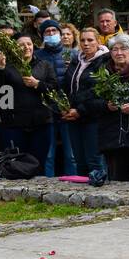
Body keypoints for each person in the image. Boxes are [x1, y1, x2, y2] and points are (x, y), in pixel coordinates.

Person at [90, 34, 129, 182]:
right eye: (114, 49)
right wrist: (105, 105)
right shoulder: (101, 74)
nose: (119, 53)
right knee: (117, 181)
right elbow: (89, 101)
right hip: (113, 137)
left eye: (124, 49)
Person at [0, 33, 56, 174]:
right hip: (15, 124)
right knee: (17, 163)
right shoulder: (7, 67)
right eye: (21, 45)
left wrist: (37, 84)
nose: (26, 47)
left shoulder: (44, 65)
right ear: (14, 48)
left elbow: (55, 88)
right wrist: (1, 68)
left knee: (39, 163)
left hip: (41, 122)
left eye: (29, 44)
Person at [61, 27, 110, 175]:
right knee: (79, 160)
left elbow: (99, 92)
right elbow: (66, 85)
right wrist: (64, 106)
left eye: (90, 40)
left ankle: (99, 195)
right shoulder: (77, 59)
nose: (86, 43)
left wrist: (80, 110)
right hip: (73, 117)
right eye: (82, 40)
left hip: (93, 117)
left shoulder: (105, 61)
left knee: (94, 160)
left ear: (98, 41)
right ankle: (80, 196)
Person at [34, 19, 75, 175]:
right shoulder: (37, 56)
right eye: (47, 32)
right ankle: (47, 183)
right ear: (42, 35)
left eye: (54, 31)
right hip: (46, 109)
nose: (51, 34)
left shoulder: (72, 54)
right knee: (48, 152)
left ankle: (74, 180)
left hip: (67, 107)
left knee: (70, 152)